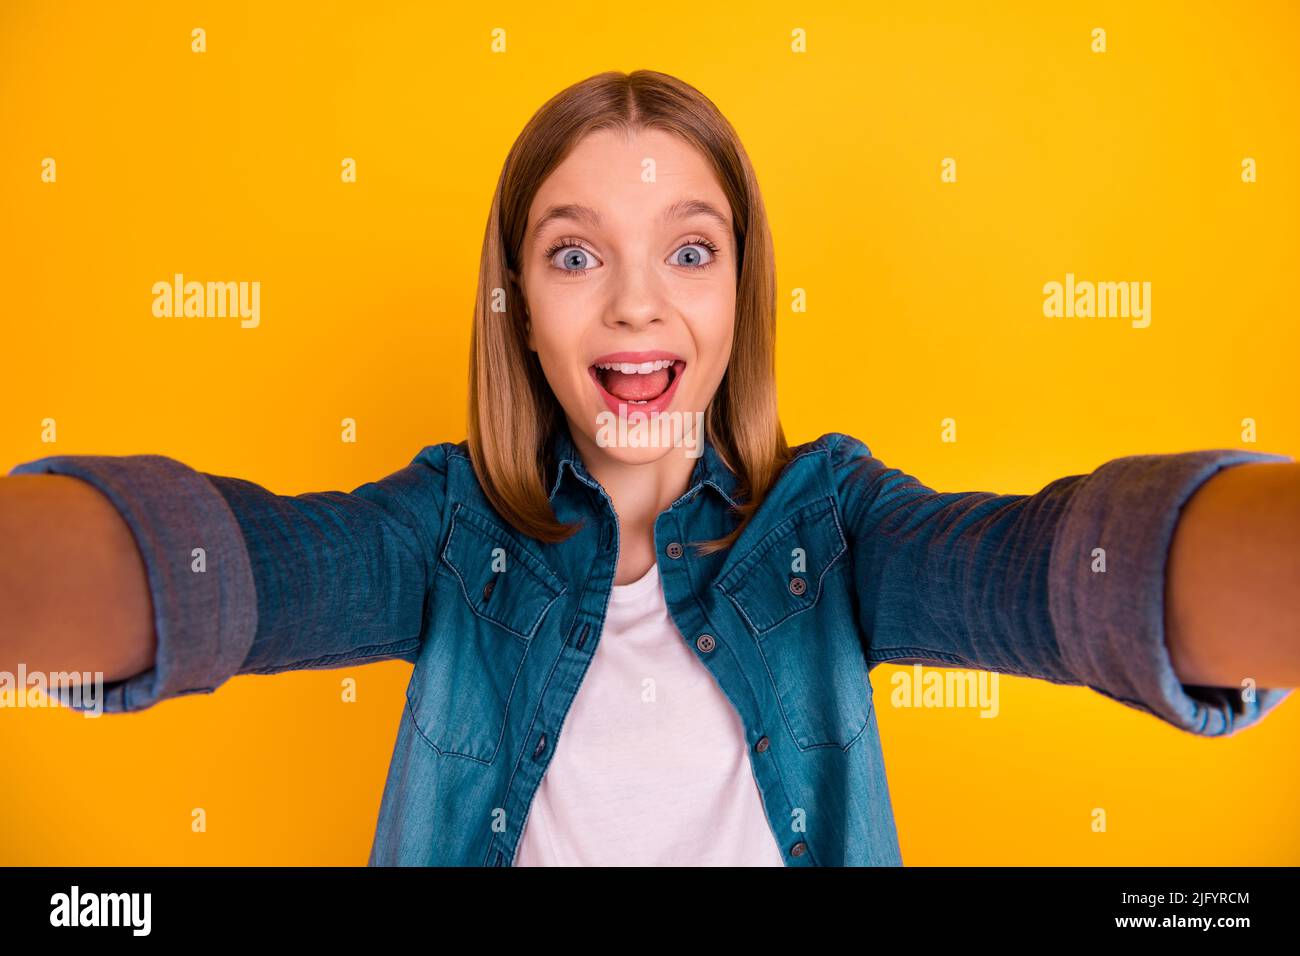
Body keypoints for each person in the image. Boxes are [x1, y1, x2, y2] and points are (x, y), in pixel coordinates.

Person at [3, 69, 1297, 866]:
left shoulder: (835, 529)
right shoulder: (446, 533)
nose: (635, 303)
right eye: (575, 255)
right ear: (517, 305)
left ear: (740, 291)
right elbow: (238, 572)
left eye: (689, 250)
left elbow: (1058, 577)